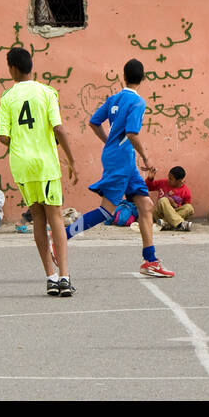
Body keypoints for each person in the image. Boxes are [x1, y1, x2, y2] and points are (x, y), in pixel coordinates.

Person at [64, 58, 174, 278]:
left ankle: (150, 260)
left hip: (123, 159)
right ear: (143, 78)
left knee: (145, 205)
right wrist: (146, 158)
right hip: (122, 160)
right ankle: (62, 235)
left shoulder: (114, 98)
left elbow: (94, 122)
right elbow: (132, 132)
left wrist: (108, 142)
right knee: (107, 210)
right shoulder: (138, 102)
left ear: (123, 76)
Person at [0, 47, 77, 296]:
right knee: (56, 217)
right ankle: (64, 276)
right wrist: (72, 160)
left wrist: (21, 145)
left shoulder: (7, 97)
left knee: (37, 218)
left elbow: (3, 137)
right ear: (31, 66)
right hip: (46, 163)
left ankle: (50, 277)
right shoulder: (47, 92)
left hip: (22, 164)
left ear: (12, 68)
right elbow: (59, 129)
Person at [146, 166, 193, 232]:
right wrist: (150, 179)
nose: (168, 180)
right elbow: (148, 187)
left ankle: (165, 223)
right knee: (163, 199)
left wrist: (174, 205)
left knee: (189, 208)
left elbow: (184, 208)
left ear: (179, 181)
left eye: (171, 179)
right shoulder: (163, 183)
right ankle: (180, 224)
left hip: (167, 217)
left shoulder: (185, 191)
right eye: (168, 177)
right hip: (159, 214)